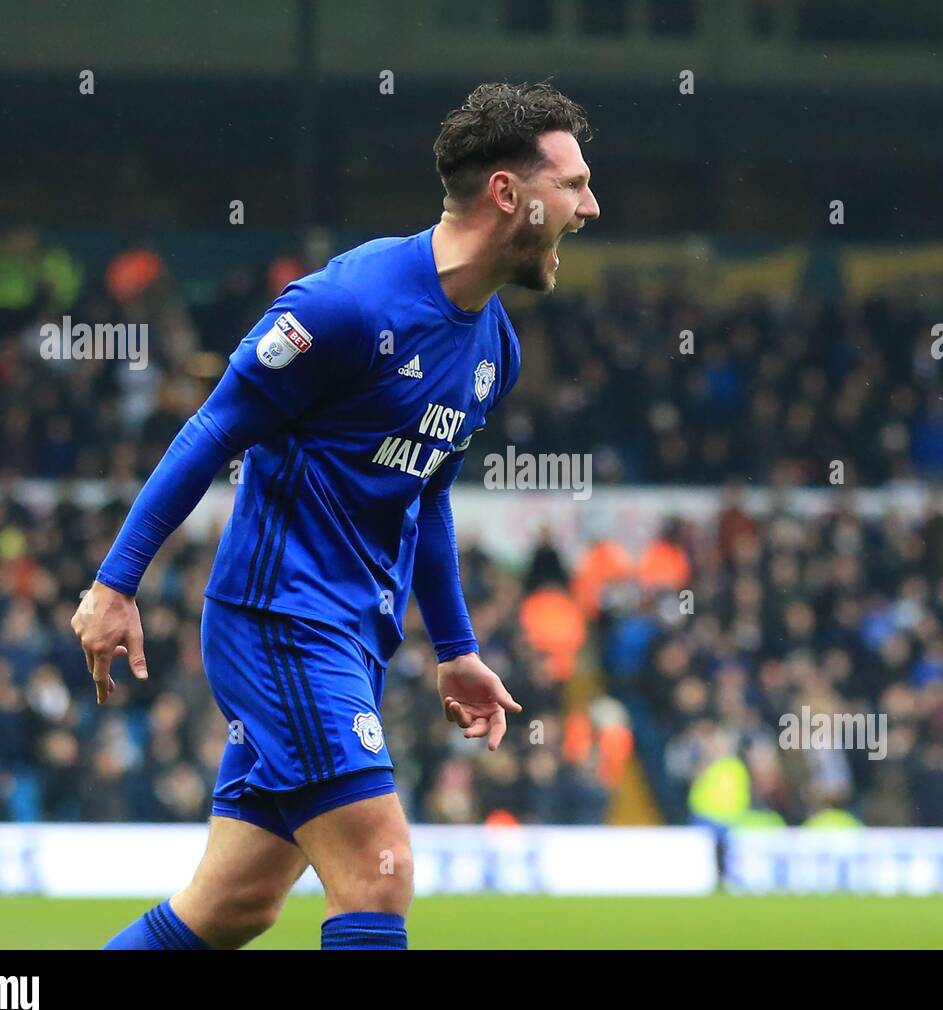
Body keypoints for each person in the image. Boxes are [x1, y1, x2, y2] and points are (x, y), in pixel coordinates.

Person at [71, 80, 599, 950]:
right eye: (573, 185)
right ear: (509, 194)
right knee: (379, 870)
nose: (590, 206)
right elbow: (211, 431)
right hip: (280, 620)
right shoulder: (344, 305)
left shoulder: (493, 347)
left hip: (350, 636)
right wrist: (114, 583)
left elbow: (424, 491)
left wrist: (457, 648)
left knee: (232, 906)